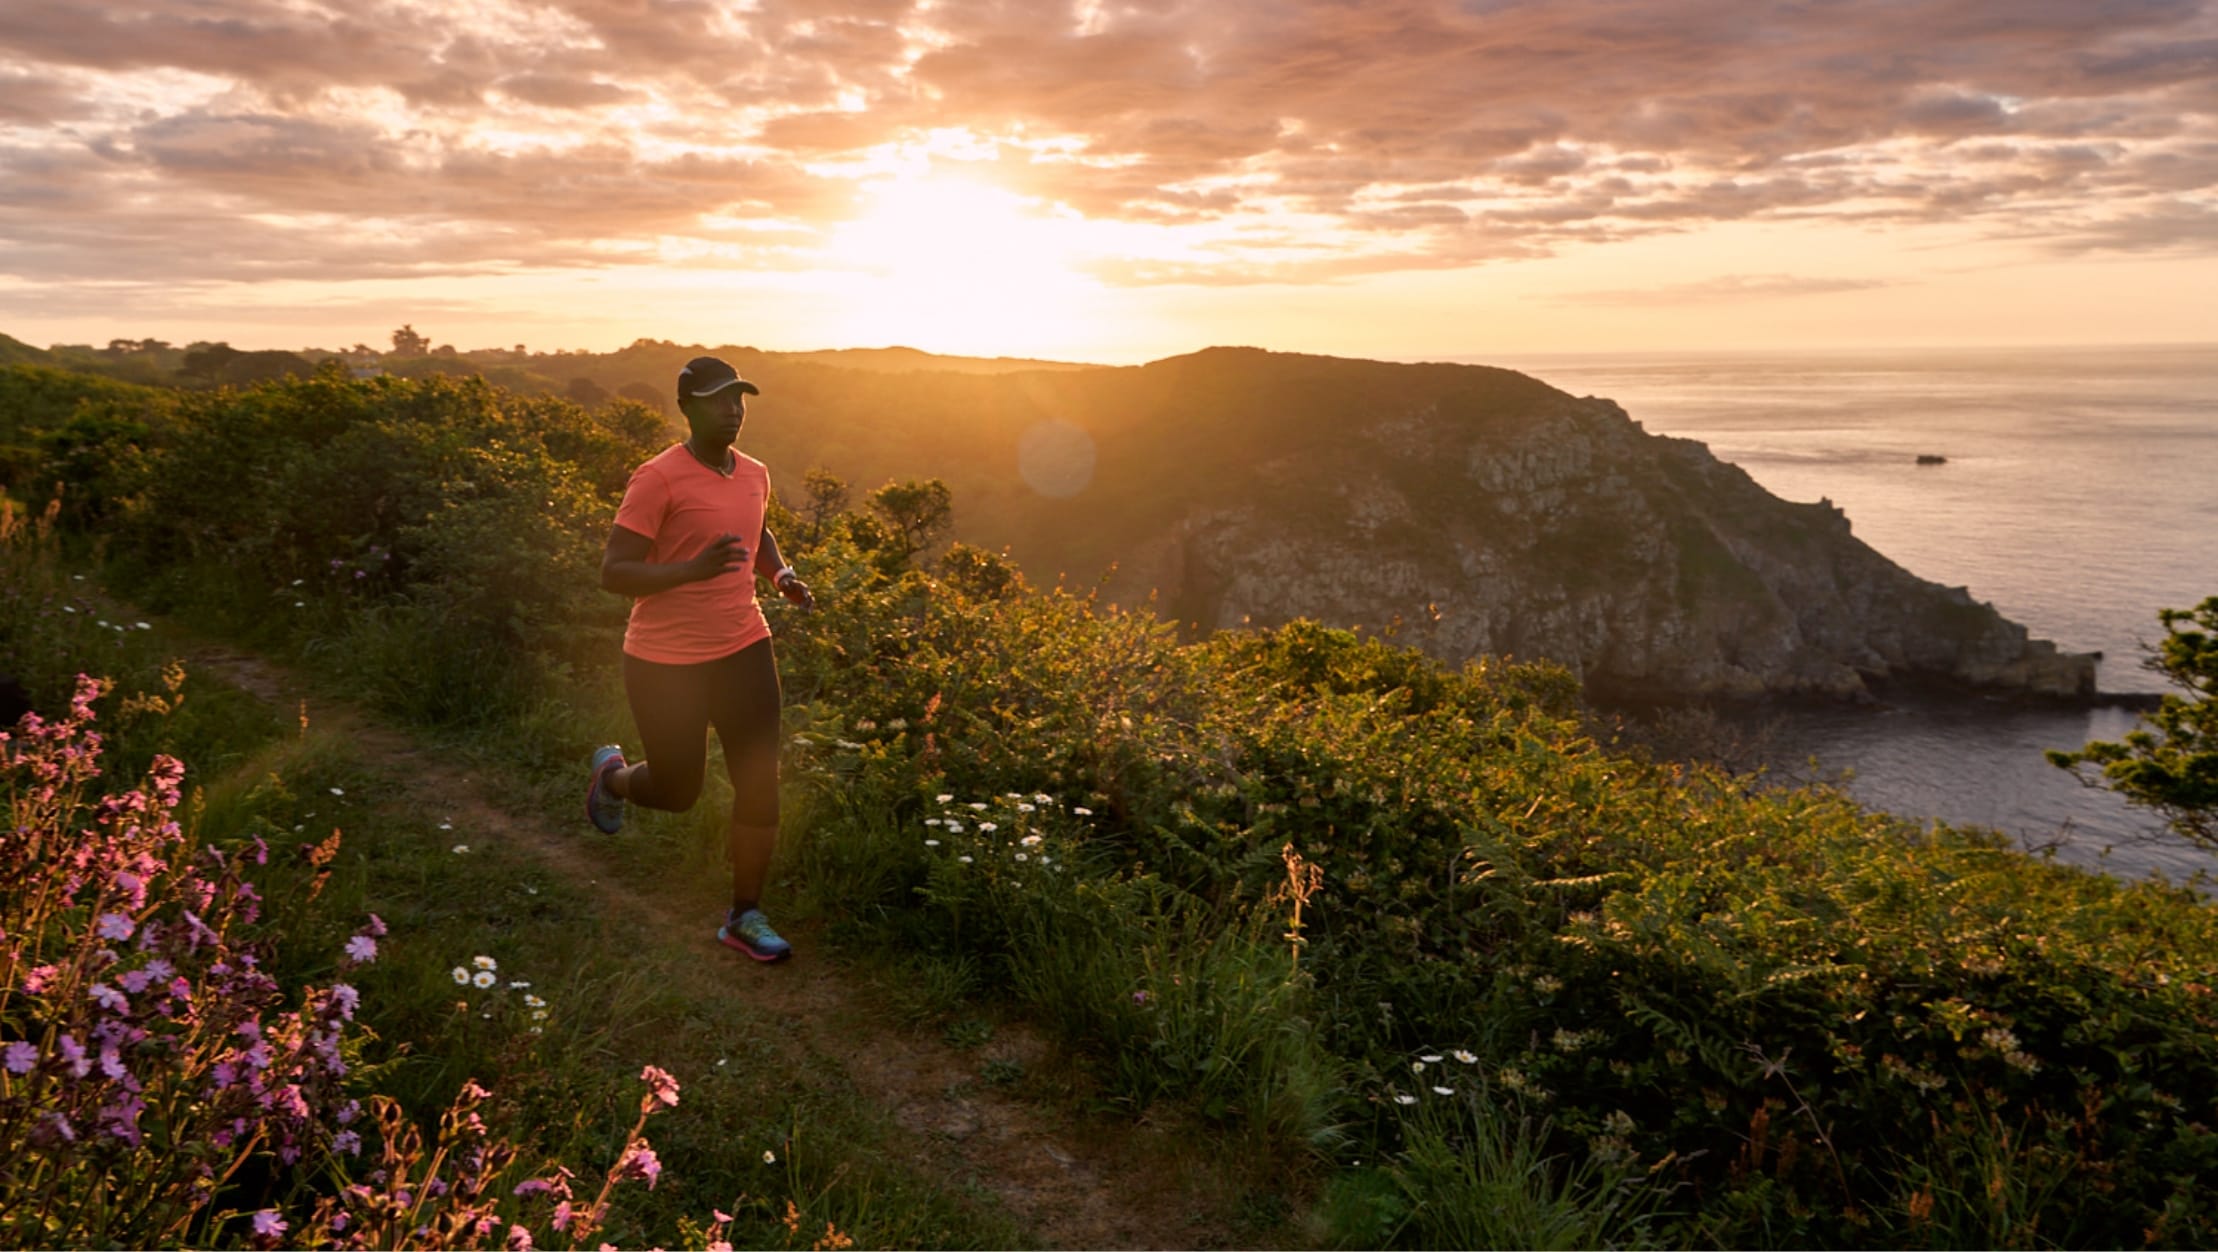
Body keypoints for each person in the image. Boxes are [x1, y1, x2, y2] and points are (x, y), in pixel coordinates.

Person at [584, 356, 815, 962]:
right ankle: (610, 777)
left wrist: (781, 574)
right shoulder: (657, 479)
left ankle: (744, 915)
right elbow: (614, 572)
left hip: (744, 645)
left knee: (760, 784)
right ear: (686, 406)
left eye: (739, 397)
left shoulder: (755, 473)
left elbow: (755, 531)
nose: (732, 408)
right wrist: (692, 570)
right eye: (717, 398)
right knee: (678, 789)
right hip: (665, 662)